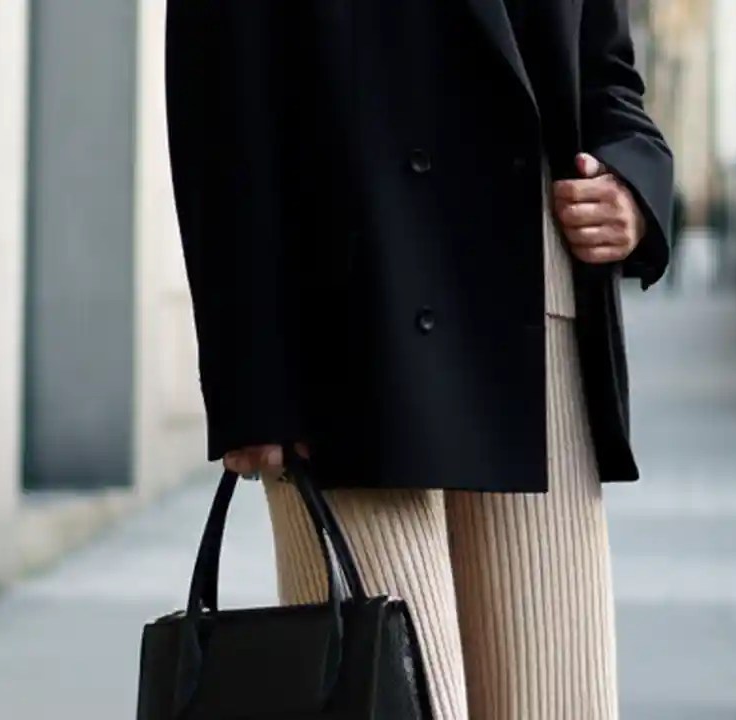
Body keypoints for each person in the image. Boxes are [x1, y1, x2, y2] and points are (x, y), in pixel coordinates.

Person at [165, 1, 674, 717]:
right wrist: (250, 378)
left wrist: (632, 183)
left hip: (537, 329)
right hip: (351, 334)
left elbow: (609, 79)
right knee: (394, 694)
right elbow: (217, 100)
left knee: (558, 700)